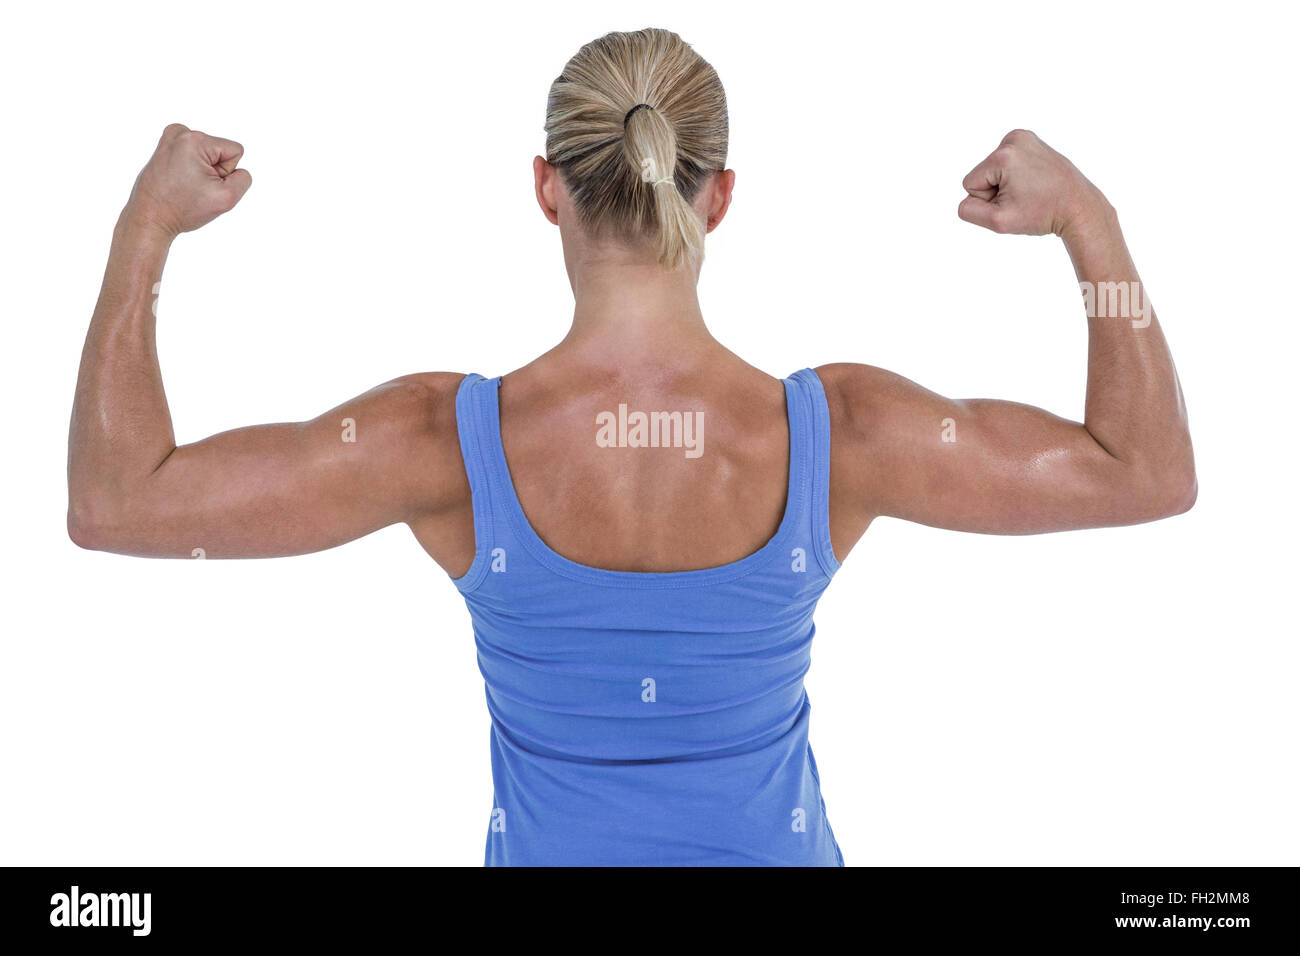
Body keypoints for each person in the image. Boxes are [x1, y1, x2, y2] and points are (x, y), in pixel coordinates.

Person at [67, 28, 1195, 866]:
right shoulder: (843, 434)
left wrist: (144, 229)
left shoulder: (440, 442)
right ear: (720, 199)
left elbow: (120, 502)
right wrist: (1087, 217)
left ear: (547, 189)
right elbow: (1143, 471)